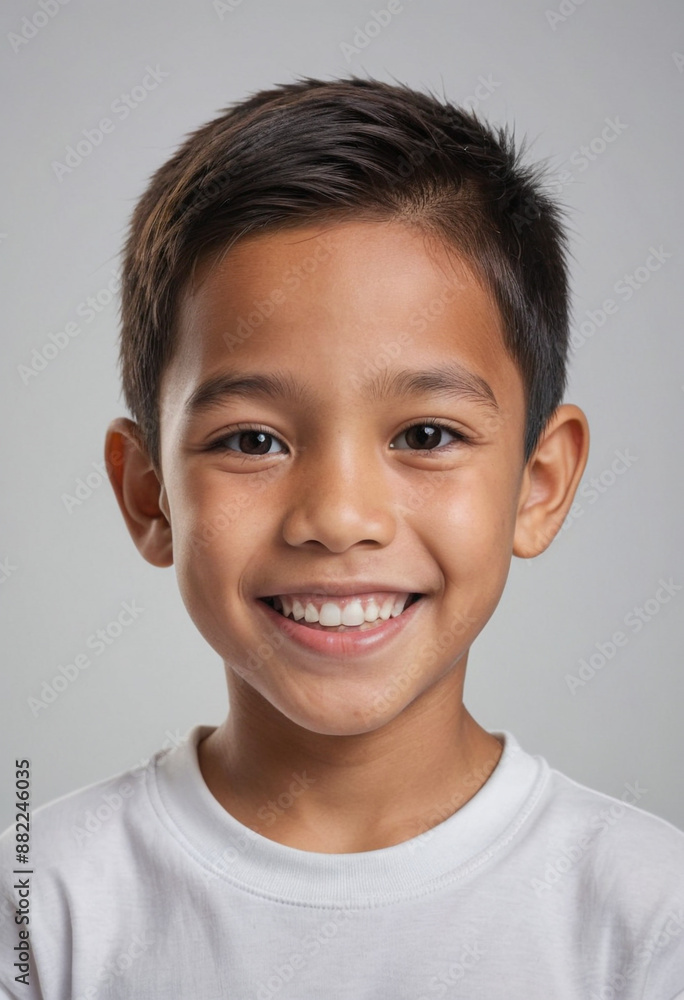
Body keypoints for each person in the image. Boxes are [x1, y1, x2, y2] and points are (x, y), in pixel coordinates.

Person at [2, 75, 683, 999]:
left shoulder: (650, 918)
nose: (339, 517)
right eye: (253, 441)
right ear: (149, 495)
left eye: (426, 436)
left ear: (539, 483)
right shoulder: (38, 908)